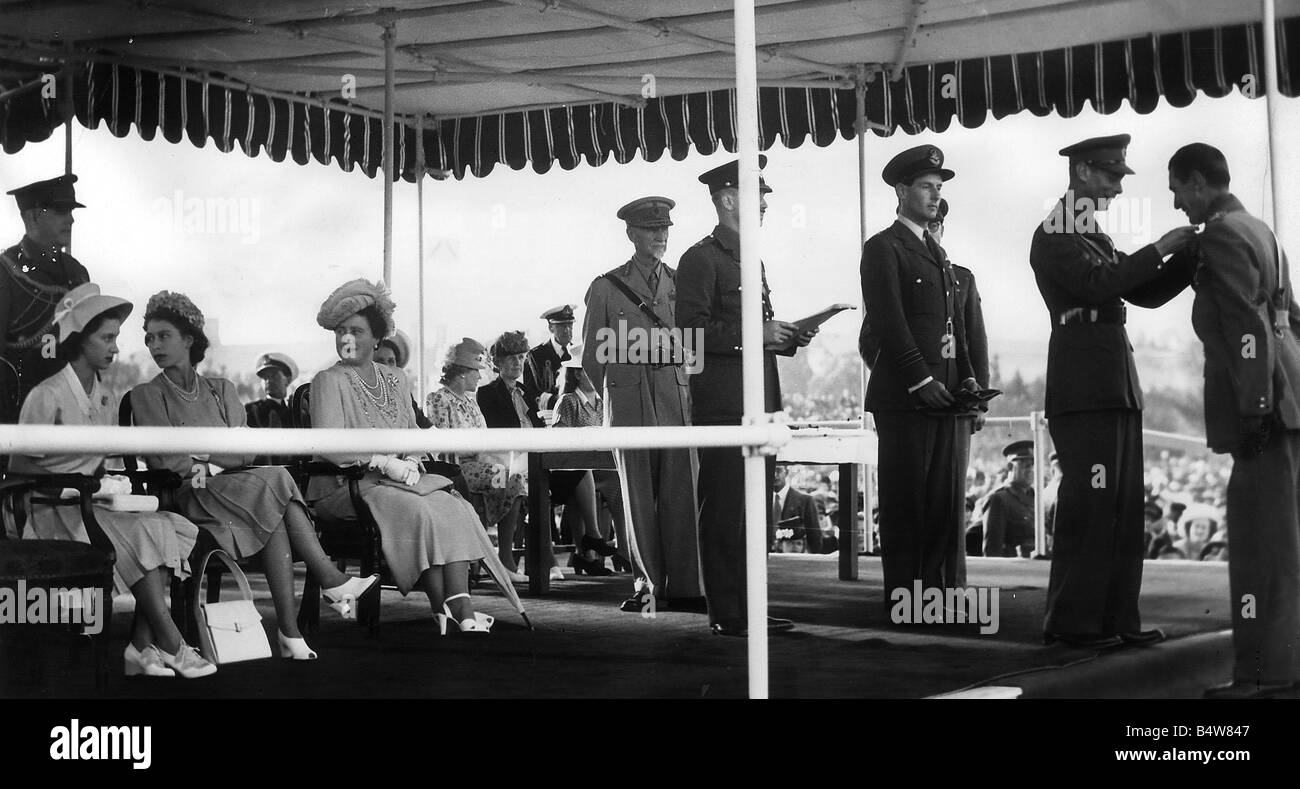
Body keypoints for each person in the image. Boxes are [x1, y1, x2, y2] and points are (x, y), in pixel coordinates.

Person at [129, 290, 378, 657]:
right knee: (277, 480)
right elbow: (168, 461)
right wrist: (218, 459)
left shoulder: (222, 389)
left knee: (275, 514)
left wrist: (206, 457)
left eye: (163, 335)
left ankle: (291, 634)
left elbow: (247, 450)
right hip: (188, 494)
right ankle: (327, 581)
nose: (154, 344)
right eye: (149, 337)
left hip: (234, 491)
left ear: (189, 339)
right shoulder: (146, 394)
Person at [1030, 134, 1197, 649]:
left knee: (1121, 507)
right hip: (1086, 390)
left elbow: (1138, 292)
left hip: (1110, 387)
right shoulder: (1056, 233)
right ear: (1081, 172)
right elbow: (1105, 283)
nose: (1118, 187)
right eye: (1110, 175)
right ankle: (1073, 621)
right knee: (1091, 505)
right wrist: (1163, 247)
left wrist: (1190, 259)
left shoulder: (1086, 232)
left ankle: (1116, 619)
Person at [11, 284, 215, 678]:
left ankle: (141, 648)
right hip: (51, 516)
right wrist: (78, 486)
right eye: (107, 338)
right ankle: (171, 644)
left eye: (116, 338)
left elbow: (96, 465)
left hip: (91, 509)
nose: (116, 348)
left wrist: (106, 485)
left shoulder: (103, 395)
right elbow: (18, 474)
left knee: (163, 525)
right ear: (79, 340)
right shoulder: (47, 395)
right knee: (145, 533)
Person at [1167, 142, 1300, 697]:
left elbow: (1246, 328)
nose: (1177, 203)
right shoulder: (1259, 229)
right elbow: (1288, 313)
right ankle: (1283, 666)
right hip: (1289, 394)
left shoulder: (1221, 235)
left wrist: (1255, 410)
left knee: (1259, 545)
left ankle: (1265, 676)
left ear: (1199, 182)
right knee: (1285, 542)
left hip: (1263, 405)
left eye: (1178, 189)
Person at [308, 279, 501, 633]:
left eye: (356, 331)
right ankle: (446, 606)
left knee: (452, 505)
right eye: (340, 332)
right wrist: (382, 461)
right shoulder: (327, 380)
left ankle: (459, 604)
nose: (346, 339)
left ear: (377, 337)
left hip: (394, 484)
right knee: (421, 509)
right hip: (344, 488)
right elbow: (330, 447)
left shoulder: (396, 378)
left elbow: (412, 432)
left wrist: (411, 459)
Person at [676, 157, 814, 636]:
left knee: (756, 511)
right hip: (724, 403)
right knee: (725, 509)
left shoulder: (747, 257)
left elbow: (752, 327)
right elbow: (690, 332)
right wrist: (757, 334)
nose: (767, 203)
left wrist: (785, 336)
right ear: (729, 199)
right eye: (758, 194)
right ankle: (728, 612)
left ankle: (750, 607)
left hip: (758, 403)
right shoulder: (701, 258)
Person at [859, 145, 981, 612]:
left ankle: (936, 599)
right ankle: (906, 602)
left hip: (946, 400)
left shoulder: (940, 254)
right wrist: (919, 381)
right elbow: (889, 323)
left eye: (939, 188)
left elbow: (956, 332)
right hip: (906, 401)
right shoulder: (883, 248)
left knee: (939, 507)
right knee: (907, 505)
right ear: (902, 190)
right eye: (927, 187)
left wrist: (967, 379)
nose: (934, 196)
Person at [582, 195, 704, 613]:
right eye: (651, 229)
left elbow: (695, 347)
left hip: (674, 394)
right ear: (631, 234)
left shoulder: (680, 282)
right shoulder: (606, 287)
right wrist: (616, 399)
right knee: (636, 493)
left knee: (682, 489)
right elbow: (592, 358)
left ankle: (687, 585)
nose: (660, 236)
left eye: (665, 229)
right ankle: (648, 585)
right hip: (629, 398)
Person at [426, 337, 530, 582]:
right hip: (455, 469)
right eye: (476, 372)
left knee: (514, 480)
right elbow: (440, 443)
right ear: (462, 373)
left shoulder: (471, 403)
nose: (479, 378)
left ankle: (500, 559)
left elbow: (485, 440)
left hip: (478, 466)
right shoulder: (440, 399)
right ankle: (500, 560)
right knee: (510, 480)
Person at [477, 330, 569, 582]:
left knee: (576, 477)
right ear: (497, 362)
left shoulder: (526, 392)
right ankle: (514, 558)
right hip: (501, 459)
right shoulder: (486, 394)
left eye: (521, 357)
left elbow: (537, 428)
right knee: (527, 483)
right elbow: (497, 434)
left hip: (530, 457)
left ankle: (554, 554)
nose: (517, 363)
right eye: (511, 358)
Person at [1, 175, 92, 425]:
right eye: (61, 210)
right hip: (17, 409)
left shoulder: (77, 272)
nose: (71, 219)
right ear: (33, 216)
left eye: (71, 211)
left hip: (70, 406)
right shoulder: (6, 270)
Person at [546, 348, 626, 575]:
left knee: (621, 482)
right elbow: (560, 441)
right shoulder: (568, 401)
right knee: (583, 473)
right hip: (571, 468)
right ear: (578, 374)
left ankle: (624, 548)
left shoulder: (603, 402)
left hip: (600, 466)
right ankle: (592, 545)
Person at [982, 440, 1037, 558]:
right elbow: (992, 551)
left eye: (1033, 465)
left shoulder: (1036, 498)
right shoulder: (999, 499)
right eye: (1026, 465)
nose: (1031, 470)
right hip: (1013, 570)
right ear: (1010, 466)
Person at [244, 352, 297, 465]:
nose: (268, 380)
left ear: (287, 380)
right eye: (264, 377)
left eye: (274, 375)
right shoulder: (252, 410)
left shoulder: (295, 409)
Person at [524, 304, 575, 414]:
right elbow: (530, 391)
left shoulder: (577, 354)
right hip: (546, 417)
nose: (567, 330)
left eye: (570, 325)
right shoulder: (535, 356)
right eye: (561, 326)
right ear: (551, 328)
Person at [771, 466, 822, 554]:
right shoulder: (758, 501)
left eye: (778, 470)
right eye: (771, 470)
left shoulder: (805, 500)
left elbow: (815, 538)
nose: (775, 475)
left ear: (786, 472)